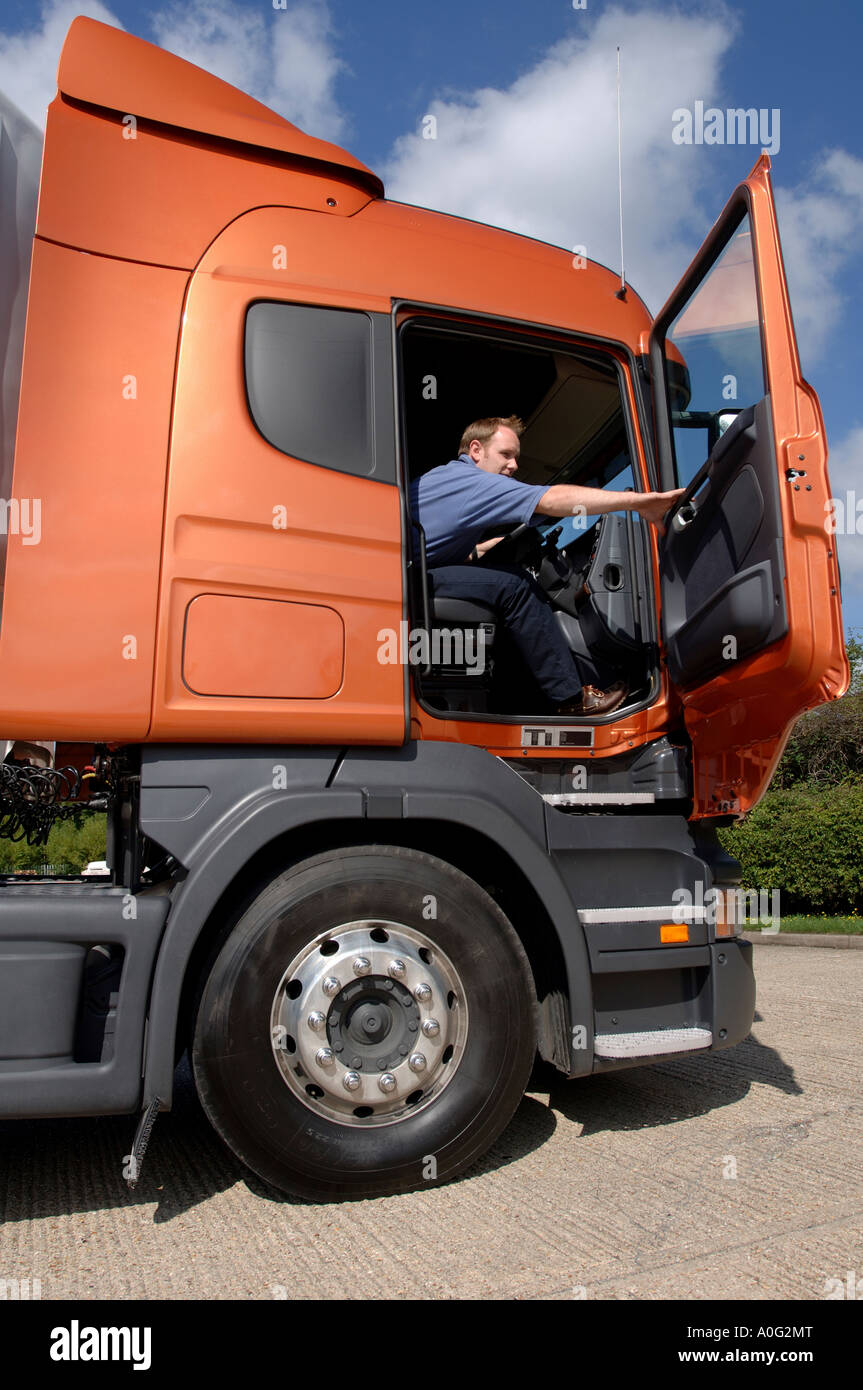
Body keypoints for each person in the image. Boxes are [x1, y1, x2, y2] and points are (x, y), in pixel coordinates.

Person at [410, 415, 684, 715]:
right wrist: (636, 503)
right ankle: (570, 699)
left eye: (515, 457)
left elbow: (442, 549)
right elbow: (551, 499)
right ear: (476, 450)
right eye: (506, 455)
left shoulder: (449, 480)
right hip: (404, 578)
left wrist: (487, 546)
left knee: (503, 583)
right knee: (515, 586)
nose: (513, 465)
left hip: (406, 571)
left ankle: (512, 702)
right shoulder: (472, 482)